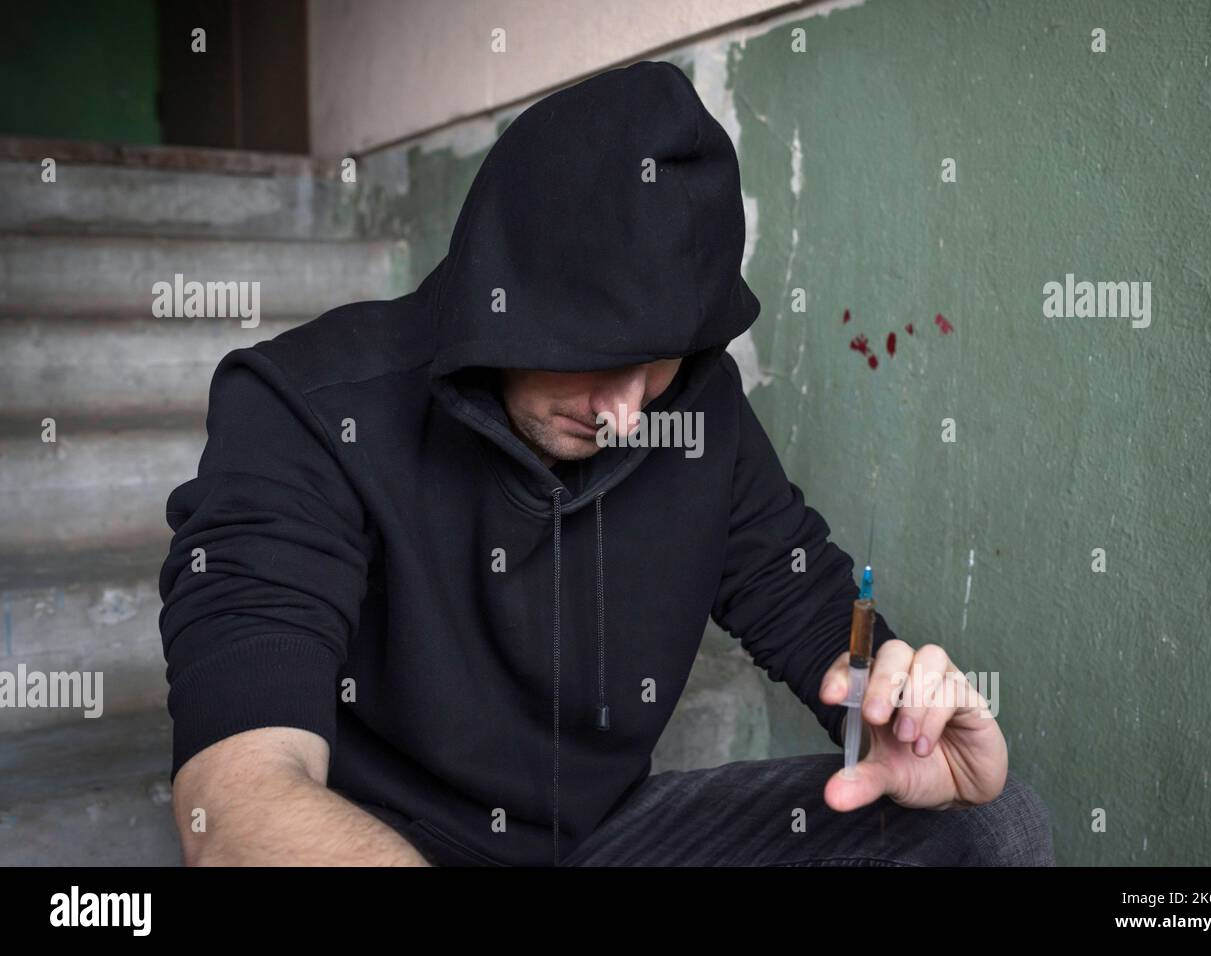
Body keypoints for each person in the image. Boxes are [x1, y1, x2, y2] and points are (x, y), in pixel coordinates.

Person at [159, 60, 1053, 867]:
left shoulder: (693, 411)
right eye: (593, 353)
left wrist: (893, 716)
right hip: (372, 844)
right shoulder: (306, 408)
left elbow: (808, 603)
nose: (626, 415)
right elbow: (239, 800)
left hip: (603, 841)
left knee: (982, 818)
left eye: (656, 363)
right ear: (501, 296)